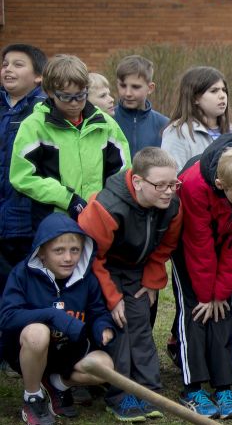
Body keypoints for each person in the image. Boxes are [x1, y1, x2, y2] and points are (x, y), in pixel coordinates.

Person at [76, 147, 182, 422]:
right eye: (160, 185)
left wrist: (152, 278)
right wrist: (112, 298)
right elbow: (90, 257)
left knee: (140, 324)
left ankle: (149, 393)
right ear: (137, 181)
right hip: (102, 268)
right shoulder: (105, 208)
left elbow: (166, 245)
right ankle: (119, 396)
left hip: (137, 269)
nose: (169, 191)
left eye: (173, 184)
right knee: (119, 326)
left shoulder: (172, 207)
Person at [170, 137, 232, 420]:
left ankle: (225, 384)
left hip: (226, 244)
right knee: (195, 311)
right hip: (189, 247)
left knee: (224, 312)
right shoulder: (194, 185)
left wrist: (220, 293)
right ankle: (193, 387)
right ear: (221, 184)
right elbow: (198, 245)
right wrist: (206, 295)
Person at [0, 214, 115, 425]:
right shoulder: (22, 275)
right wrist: (52, 315)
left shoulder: (86, 278)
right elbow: (7, 317)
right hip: (27, 351)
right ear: (42, 253)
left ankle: (56, 385)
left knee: (104, 366)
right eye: (58, 251)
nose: (68, 258)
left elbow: (98, 311)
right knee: (38, 333)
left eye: (75, 250)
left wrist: (103, 328)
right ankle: (33, 398)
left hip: (67, 354)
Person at [10, 54, 130, 226]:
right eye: (66, 97)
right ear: (50, 92)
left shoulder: (106, 124)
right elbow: (22, 177)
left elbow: (122, 173)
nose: (74, 103)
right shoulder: (34, 126)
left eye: (81, 96)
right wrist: (68, 199)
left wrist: (104, 203)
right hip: (53, 220)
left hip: (99, 216)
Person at [0, 42, 46, 293]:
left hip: (26, 220)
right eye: (5, 64)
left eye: (18, 65)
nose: (8, 69)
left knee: (23, 289)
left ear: (38, 76)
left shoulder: (44, 111)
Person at [159, 66, 230, 167]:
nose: (222, 95)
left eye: (224, 90)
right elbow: (171, 176)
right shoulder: (178, 132)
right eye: (214, 91)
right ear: (195, 98)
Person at [113, 55, 170, 157]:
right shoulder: (107, 120)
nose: (128, 93)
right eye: (123, 85)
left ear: (150, 88)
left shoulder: (164, 125)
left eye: (135, 87)